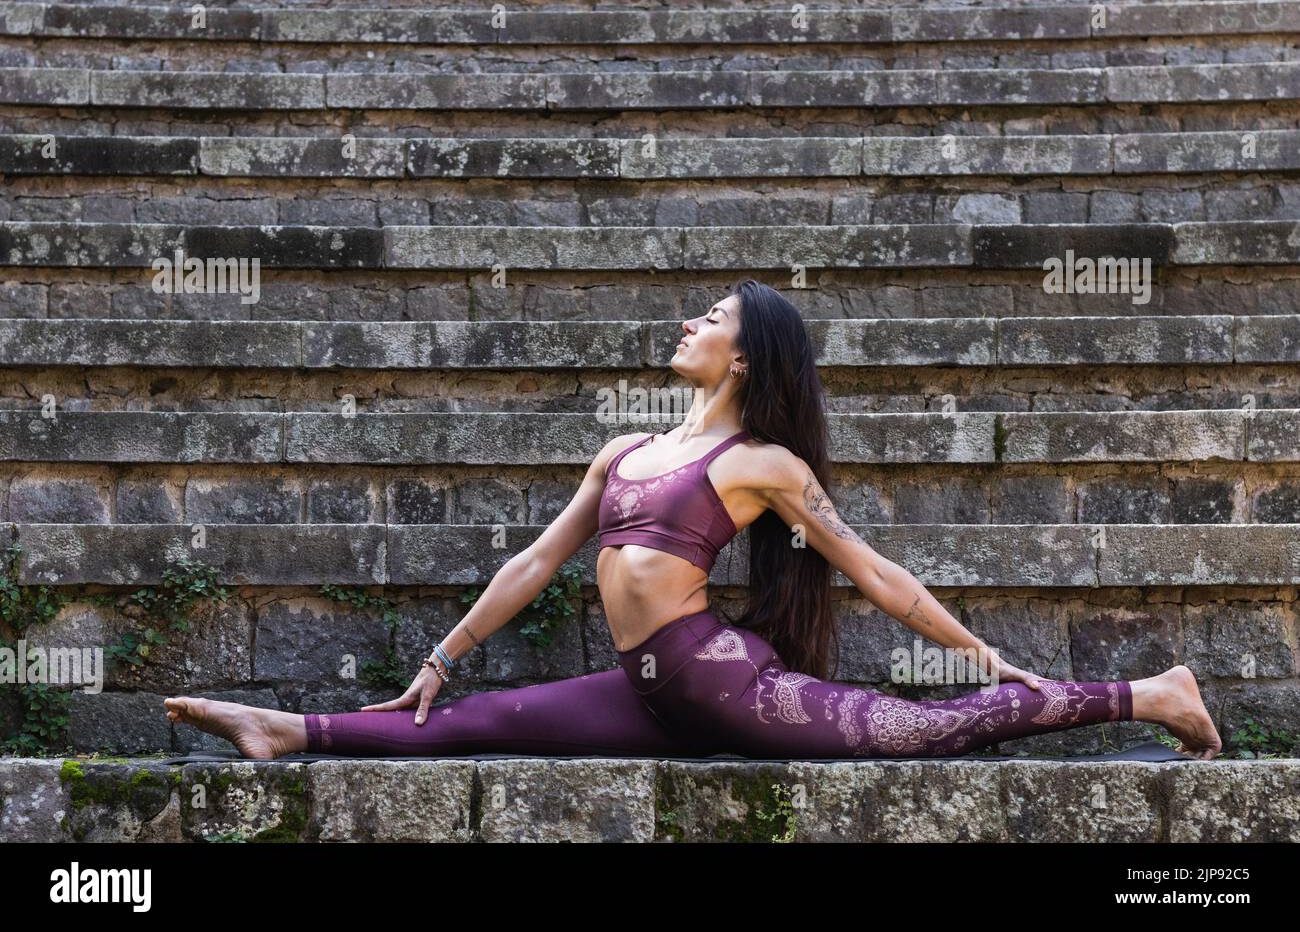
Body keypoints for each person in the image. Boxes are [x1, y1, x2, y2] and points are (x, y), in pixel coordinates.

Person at [165, 280, 1222, 761]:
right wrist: (447, 649)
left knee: (923, 726)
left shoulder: (760, 462)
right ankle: (285, 727)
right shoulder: (624, 450)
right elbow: (538, 556)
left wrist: (984, 651)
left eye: (708, 319)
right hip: (649, 689)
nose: (688, 322)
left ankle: (1150, 693)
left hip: (721, 677)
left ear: (747, 353)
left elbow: (872, 568)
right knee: (485, 718)